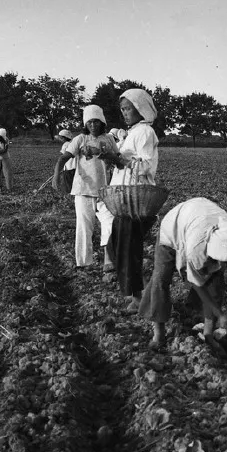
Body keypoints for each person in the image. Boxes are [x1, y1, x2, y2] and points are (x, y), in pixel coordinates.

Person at [139, 197, 227, 349]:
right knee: (161, 278)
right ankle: (158, 332)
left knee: (216, 283)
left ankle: (208, 333)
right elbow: (197, 283)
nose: (224, 266)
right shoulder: (197, 248)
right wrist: (219, 313)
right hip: (173, 227)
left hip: (200, 217)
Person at [96, 89, 160, 310]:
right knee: (120, 245)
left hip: (135, 200)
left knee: (129, 249)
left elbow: (146, 165)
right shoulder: (134, 132)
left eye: (128, 109)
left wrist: (117, 159)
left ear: (140, 109)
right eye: (122, 109)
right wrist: (114, 158)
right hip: (125, 200)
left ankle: (138, 298)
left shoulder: (144, 133)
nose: (124, 113)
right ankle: (137, 292)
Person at [52, 105, 120, 269]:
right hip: (83, 190)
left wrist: (107, 155)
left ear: (102, 122)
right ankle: (83, 263)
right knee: (84, 227)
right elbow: (63, 159)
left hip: (104, 191)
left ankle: (109, 261)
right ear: (85, 123)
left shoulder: (109, 140)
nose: (93, 125)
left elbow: (118, 160)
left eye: (96, 122)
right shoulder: (80, 139)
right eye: (89, 122)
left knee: (110, 223)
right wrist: (56, 176)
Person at [55, 129, 77, 194]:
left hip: (68, 169)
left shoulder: (66, 144)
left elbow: (62, 156)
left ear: (64, 138)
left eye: (61, 138)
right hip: (75, 168)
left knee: (68, 186)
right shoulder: (73, 143)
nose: (60, 139)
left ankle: (69, 196)